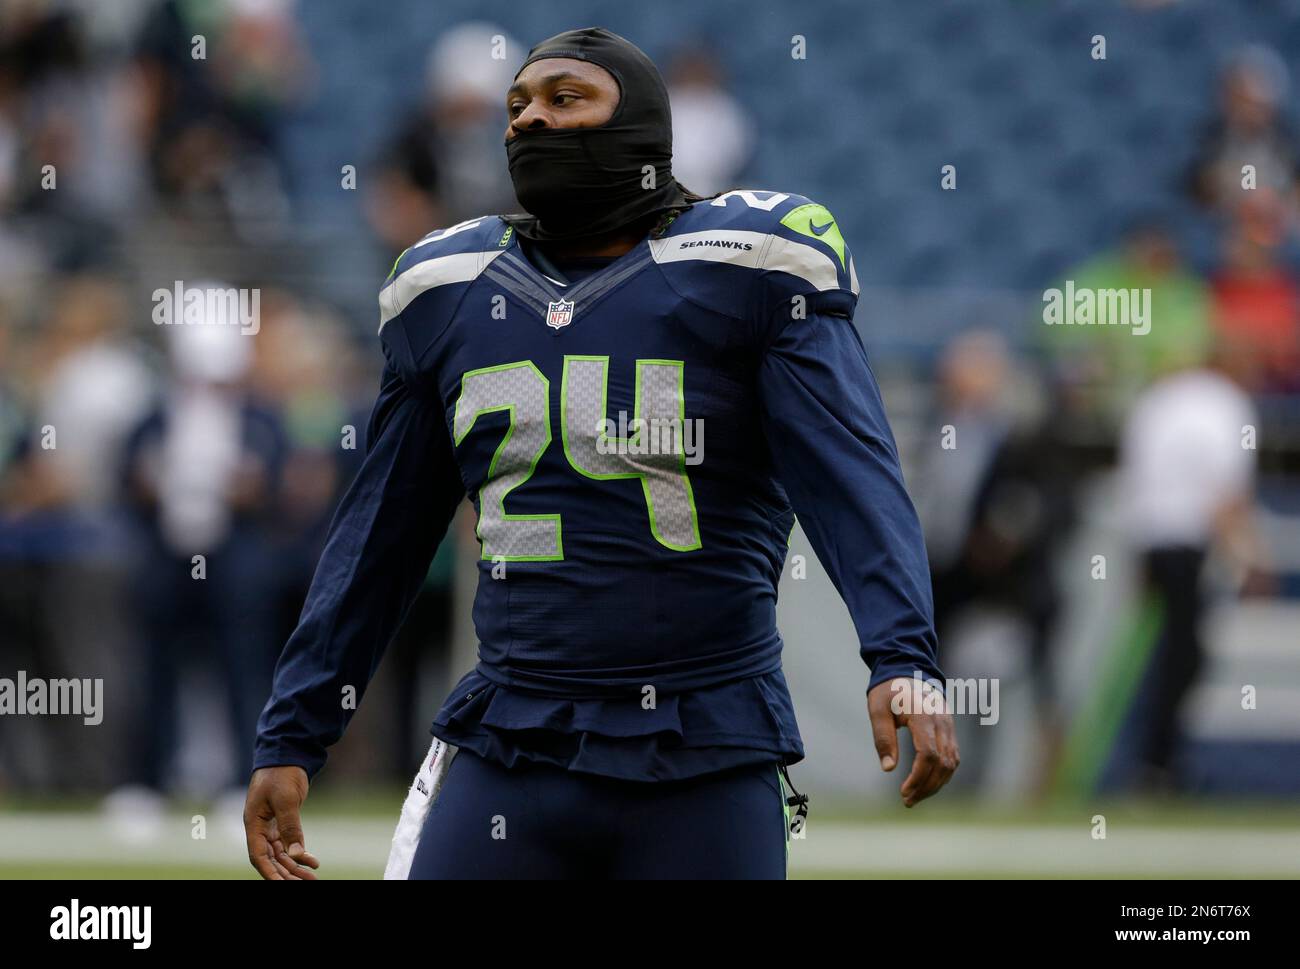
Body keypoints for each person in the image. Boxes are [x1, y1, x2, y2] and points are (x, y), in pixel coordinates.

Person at [246, 26, 956, 881]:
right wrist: (295, 728)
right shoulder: (450, 289)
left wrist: (902, 652)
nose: (528, 122)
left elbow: (853, 480)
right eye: (516, 106)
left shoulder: (748, 266)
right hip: (513, 739)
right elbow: (378, 539)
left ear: (643, 131)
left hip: (706, 745)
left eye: (564, 99)